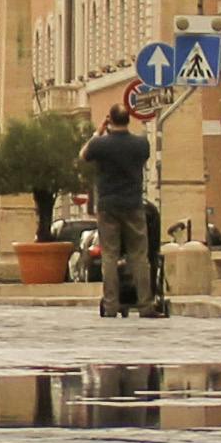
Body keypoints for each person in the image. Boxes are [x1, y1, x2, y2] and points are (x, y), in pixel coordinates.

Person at [84, 98, 163, 319]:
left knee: (109, 255)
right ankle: (146, 304)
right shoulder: (140, 144)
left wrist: (99, 131)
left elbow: (83, 155)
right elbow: (143, 157)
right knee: (140, 256)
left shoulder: (100, 145)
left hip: (108, 205)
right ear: (128, 119)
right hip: (133, 205)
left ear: (110, 120)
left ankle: (111, 305)